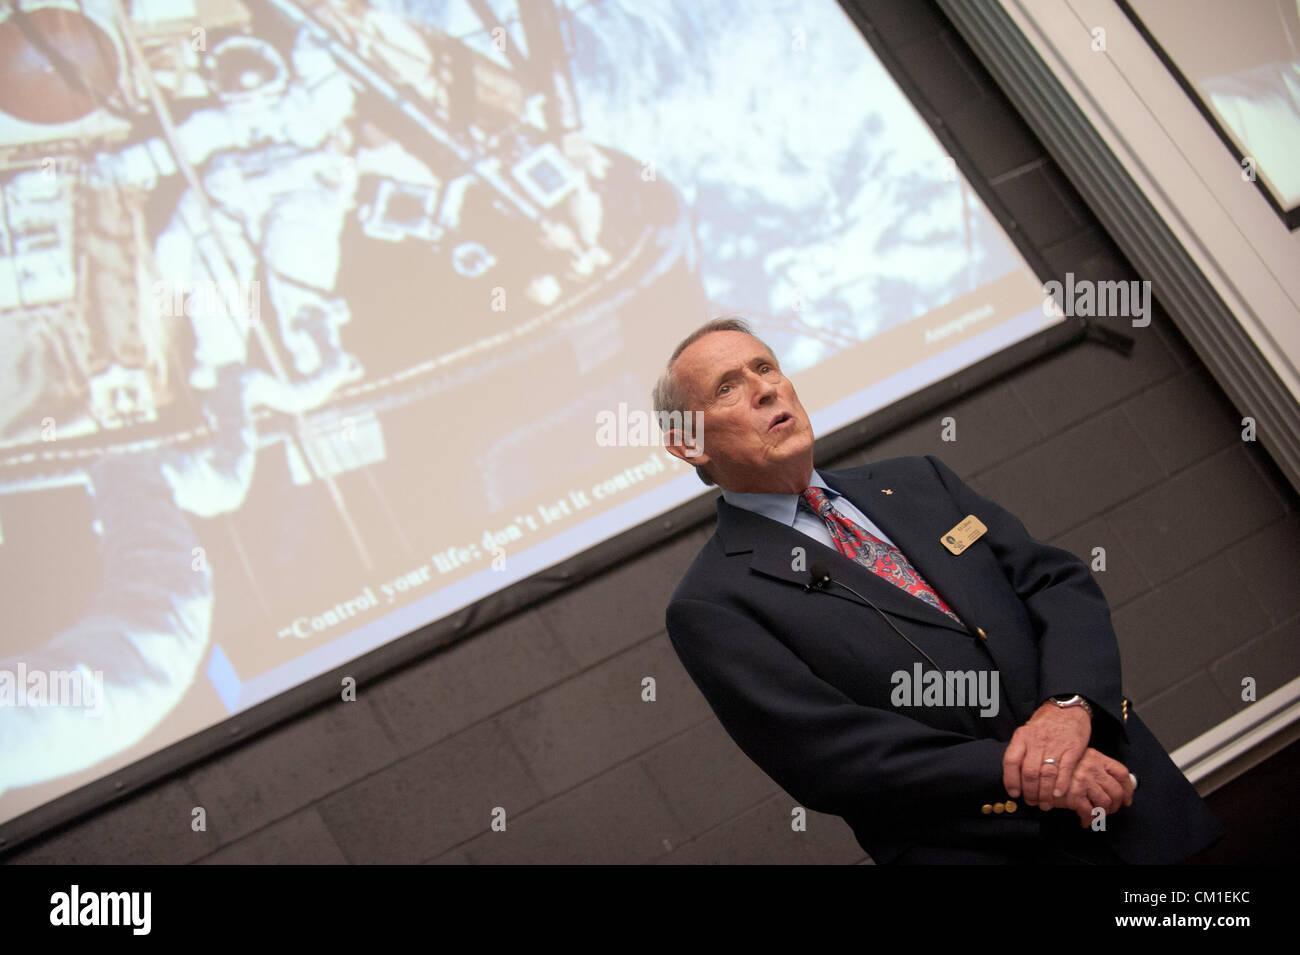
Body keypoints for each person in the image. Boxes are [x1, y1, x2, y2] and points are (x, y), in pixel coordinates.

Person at [654, 316, 1223, 863]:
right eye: (728, 387)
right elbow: (830, 754)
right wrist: (1029, 769)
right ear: (688, 445)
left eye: (767, 368)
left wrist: (1068, 708)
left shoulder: (917, 480)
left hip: (1125, 795)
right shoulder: (712, 602)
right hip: (987, 843)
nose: (764, 390)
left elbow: (1055, 584)